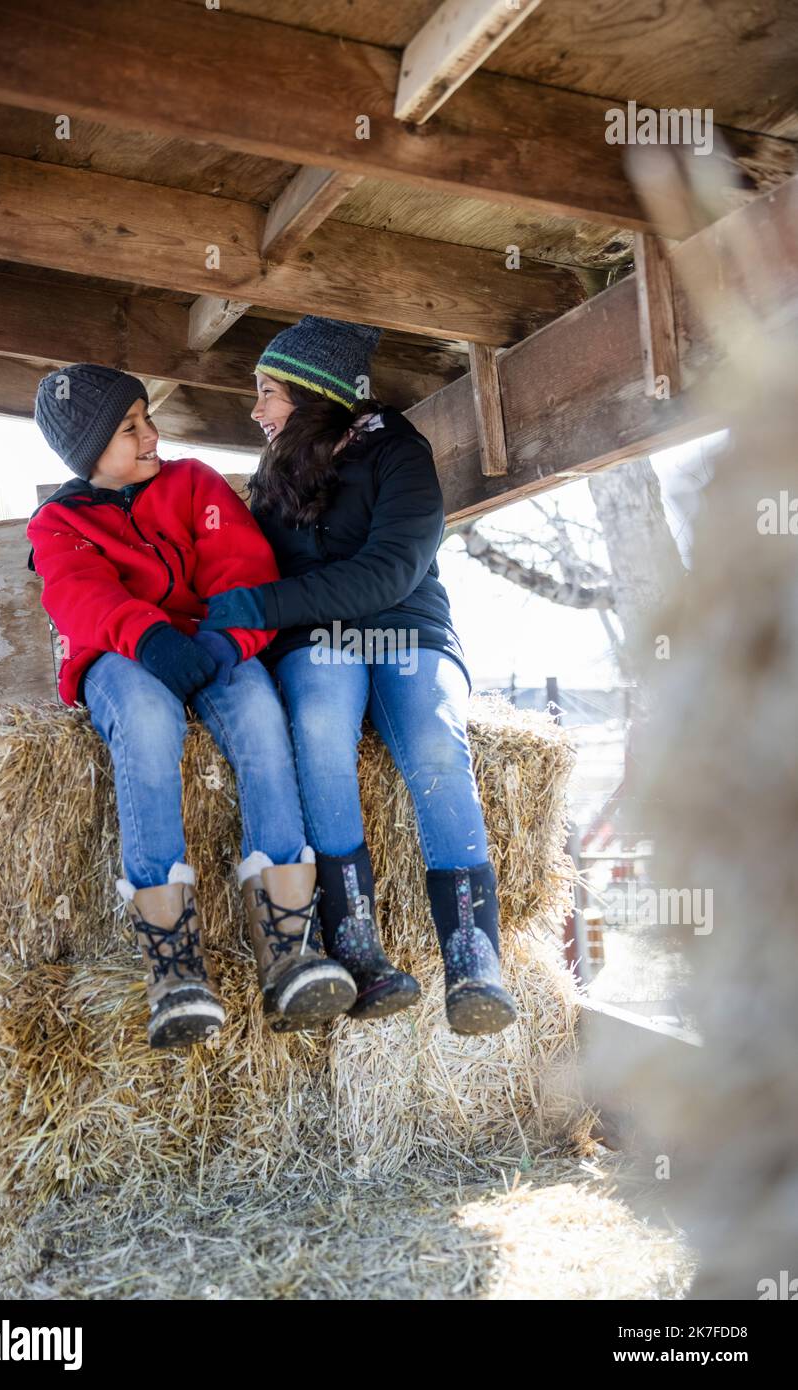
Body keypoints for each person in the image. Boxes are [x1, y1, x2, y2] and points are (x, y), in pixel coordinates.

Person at [199, 317, 518, 1035]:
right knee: (316, 731)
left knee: (437, 743)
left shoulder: (397, 450)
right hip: (316, 642)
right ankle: (356, 947)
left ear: (315, 396)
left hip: (408, 631)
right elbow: (252, 568)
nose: (256, 410)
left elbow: (389, 572)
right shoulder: (273, 477)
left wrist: (261, 604)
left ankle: (473, 959)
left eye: (269, 393)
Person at [26, 364, 356, 1050]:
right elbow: (80, 598)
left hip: (213, 644)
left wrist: (227, 639)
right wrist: (150, 640)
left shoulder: (194, 484)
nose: (152, 436)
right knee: (147, 728)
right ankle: (173, 970)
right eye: (129, 429)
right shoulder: (59, 522)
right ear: (88, 451)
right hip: (124, 655)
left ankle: (288, 949)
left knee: (262, 720)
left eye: (147, 418)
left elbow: (242, 567)